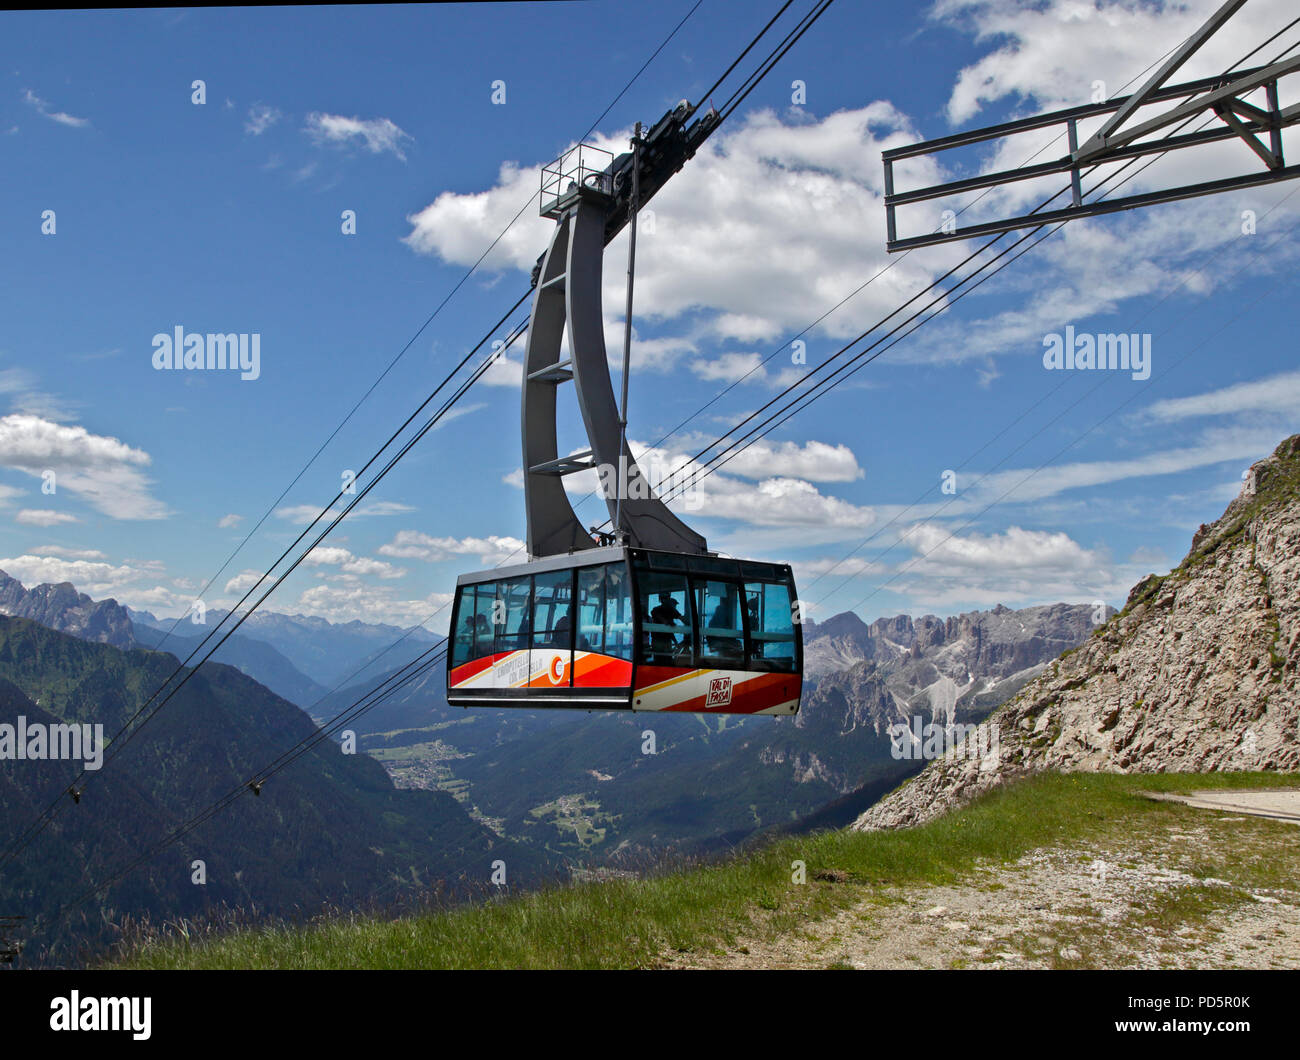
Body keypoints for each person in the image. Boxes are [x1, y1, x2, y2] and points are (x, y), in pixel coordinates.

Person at [650, 591, 684, 662]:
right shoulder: (656, 610)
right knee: (661, 660)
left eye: (667, 598)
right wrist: (668, 622)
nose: (665, 600)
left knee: (665, 660)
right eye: (665, 598)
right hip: (659, 641)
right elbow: (660, 618)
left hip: (663, 641)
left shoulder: (671, 610)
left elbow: (680, 618)